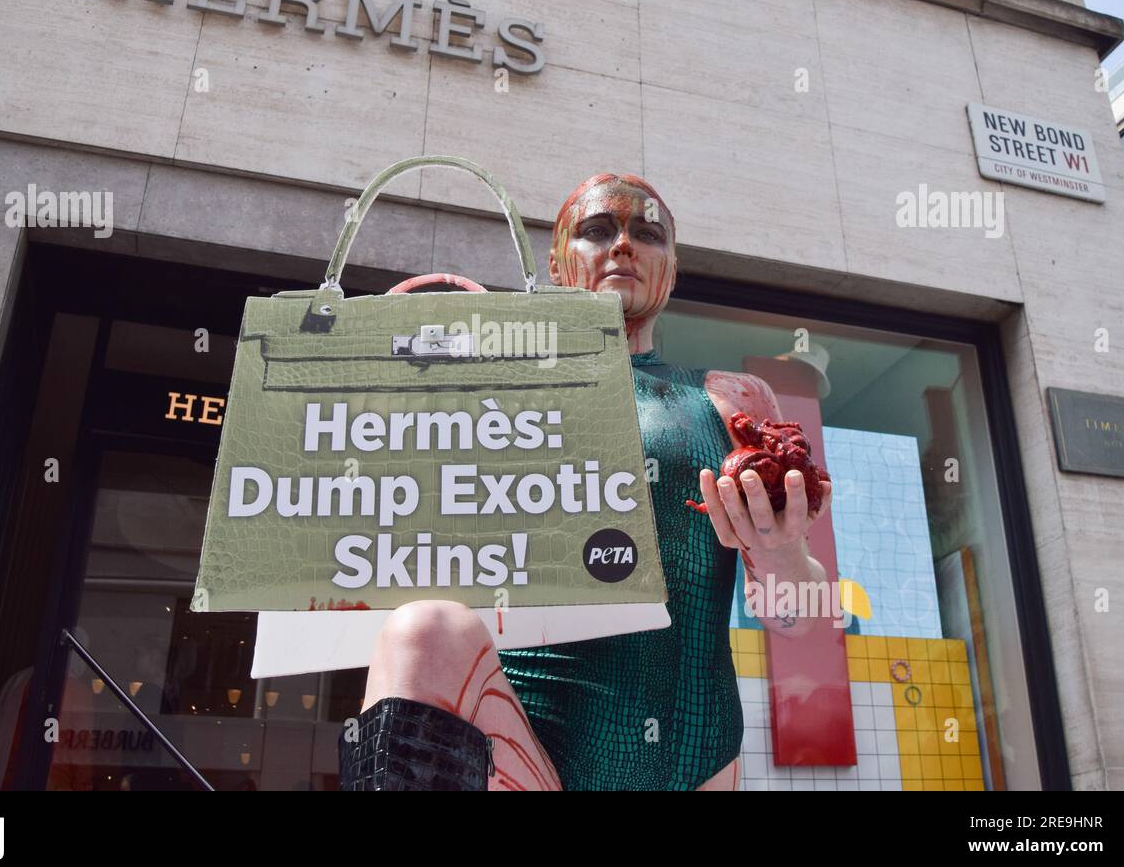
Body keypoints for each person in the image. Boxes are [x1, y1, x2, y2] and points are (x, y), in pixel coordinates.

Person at [338, 173, 833, 791]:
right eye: (598, 231)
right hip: (512, 756)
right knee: (422, 632)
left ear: (671, 270)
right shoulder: (490, 383)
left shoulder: (730, 399)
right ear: (556, 264)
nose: (623, 245)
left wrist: (781, 552)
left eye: (647, 234)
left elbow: (796, 620)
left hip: (686, 760)